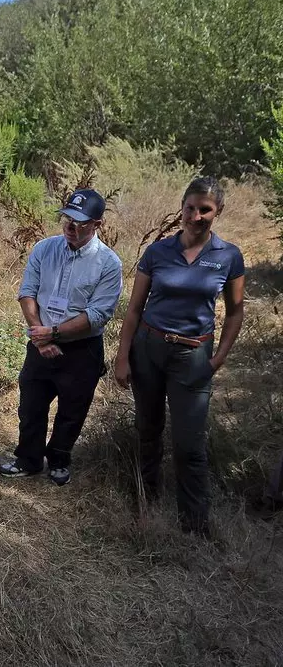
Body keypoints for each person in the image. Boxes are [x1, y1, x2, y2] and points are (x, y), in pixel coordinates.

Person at [113, 176, 245, 535]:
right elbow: (135, 309)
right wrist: (123, 356)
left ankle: (195, 522)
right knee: (148, 429)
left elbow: (234, 312)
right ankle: (146, 499)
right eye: (191, 207)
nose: (196, 216)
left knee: (189, 443)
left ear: (217, 213)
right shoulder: (158, 252)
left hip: (192, 355)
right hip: (148, 349)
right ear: (182, 208)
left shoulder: (228, 256)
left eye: (206, 210)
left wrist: (217, 359)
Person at [0, 190, 122, 486]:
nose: (71, 226)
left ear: (97, 224)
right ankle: (28, 459)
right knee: (31, 406)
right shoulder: (44, 249)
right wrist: (41, 337)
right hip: (40, 342)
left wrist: (53, 333)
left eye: (80, 222)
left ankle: (59, 459)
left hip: (81, 350)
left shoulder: (108, 263)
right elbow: (27, 292)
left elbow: (97, 315)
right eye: (68, 218)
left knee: (72, 410)